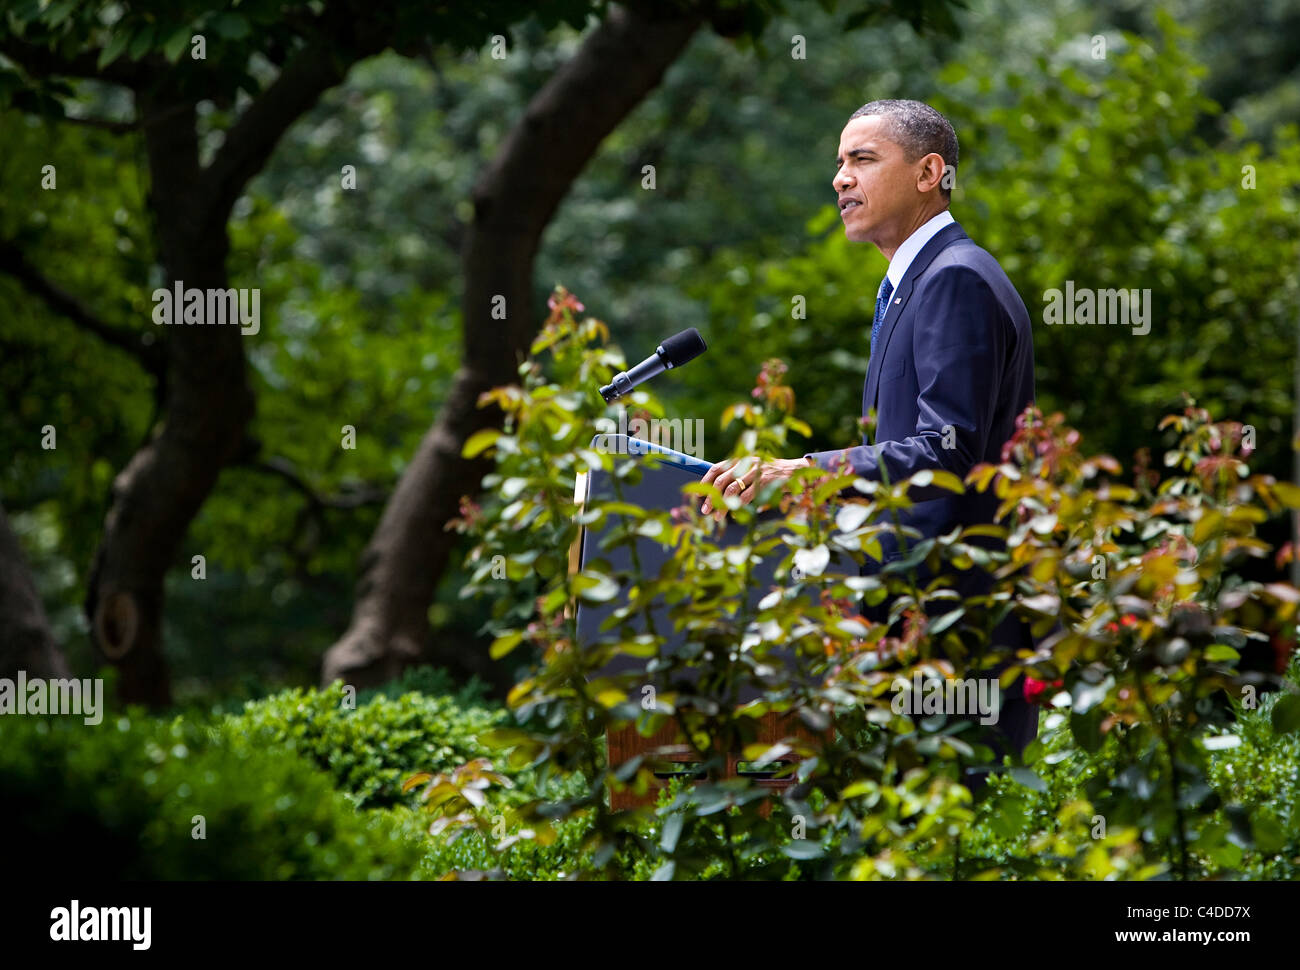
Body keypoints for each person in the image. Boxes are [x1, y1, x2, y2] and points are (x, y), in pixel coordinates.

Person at [700, 99, 1039, 771]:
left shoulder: (954, 280)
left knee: (947, 843)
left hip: (952, 626)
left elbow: (948, 450)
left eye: (862, 159)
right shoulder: (914, 283)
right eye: (838, 163)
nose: (840, 179)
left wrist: (799, 473)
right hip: (917, 623)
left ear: (928, 172)